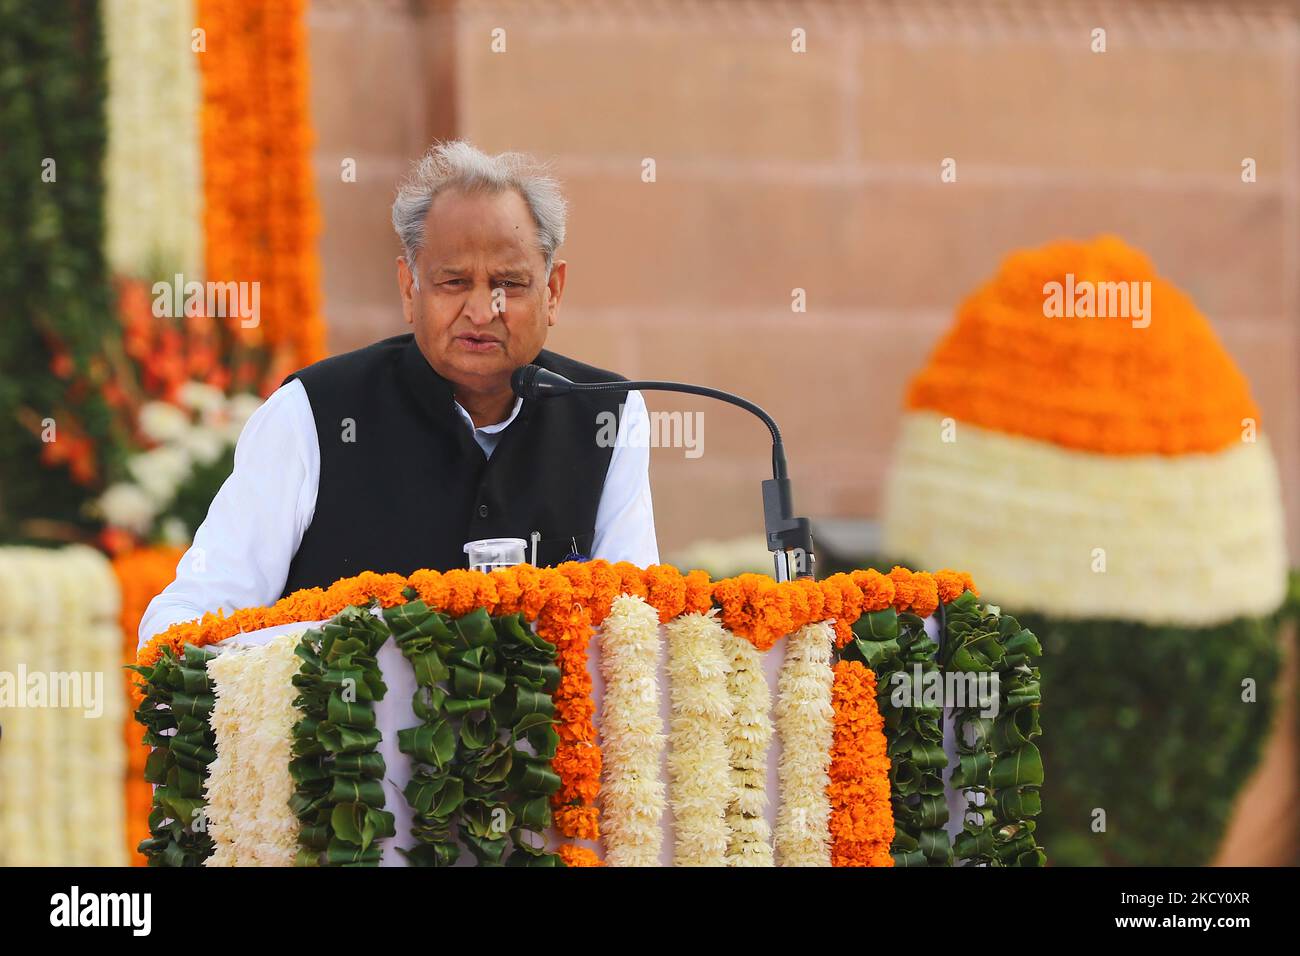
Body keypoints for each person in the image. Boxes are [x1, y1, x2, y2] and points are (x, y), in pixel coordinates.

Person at [139, 141, 658, 646]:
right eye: (453, 282)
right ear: (410, 290)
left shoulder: (605, 414)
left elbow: (634, 627)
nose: (482, 311)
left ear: (553, 292)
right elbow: (186, 619)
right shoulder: (311, 413)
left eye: (510, 284)